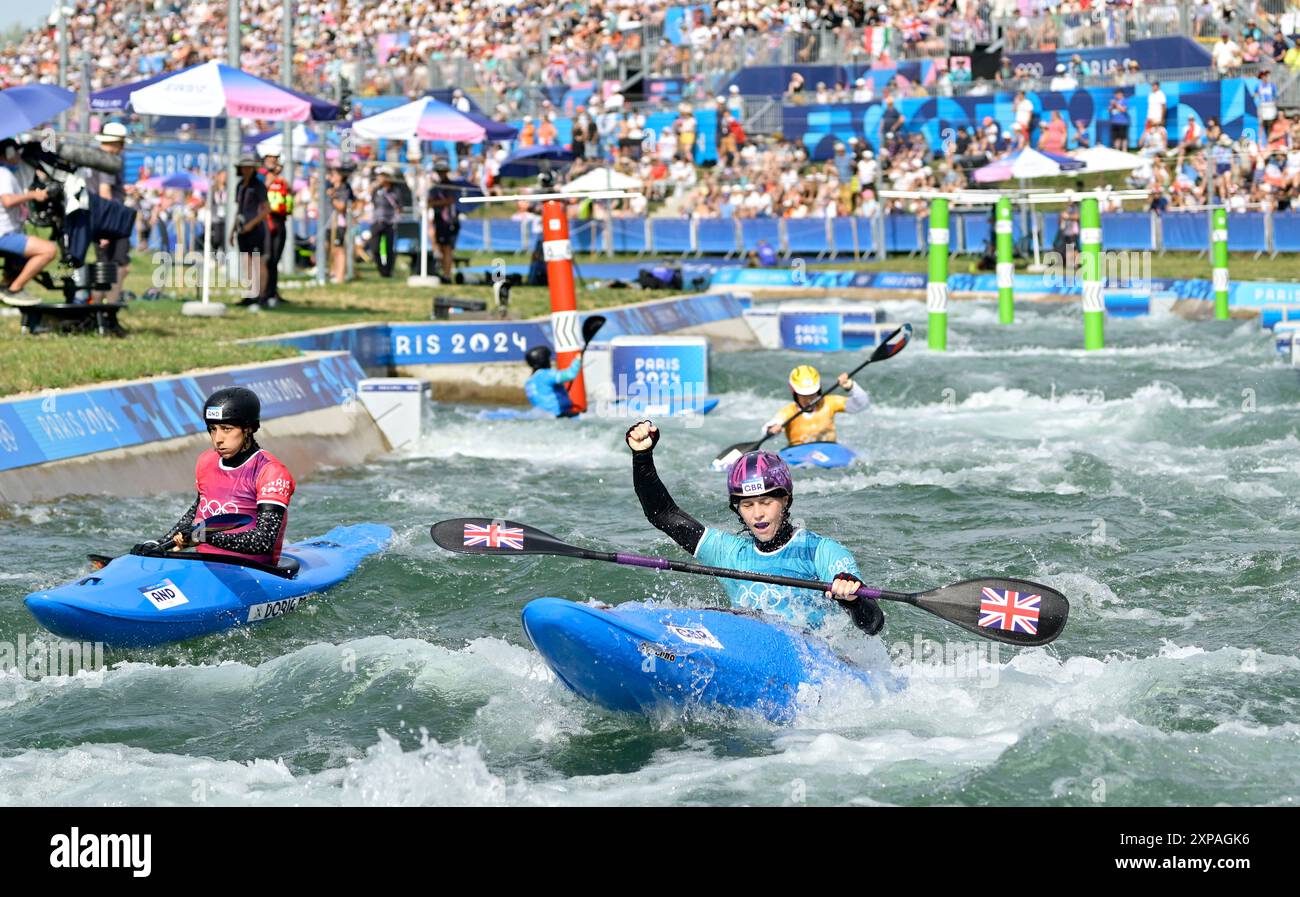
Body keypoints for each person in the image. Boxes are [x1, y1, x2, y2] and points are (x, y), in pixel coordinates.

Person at [625, 420, 883, 634]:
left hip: (810, 663)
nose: (757, 514)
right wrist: (642, 457)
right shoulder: (728, 553)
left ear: (785, 500)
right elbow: (663, 515)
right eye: (747, 506)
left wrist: (853, 599)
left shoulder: (820, 551)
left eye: (766, 502)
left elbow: (873, 625)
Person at [139, 388, 295, 566]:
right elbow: (198, 510)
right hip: (206, 565)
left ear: (249, 429)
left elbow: (263, 540)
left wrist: (201, 536)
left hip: (255, 571)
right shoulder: (207, 461)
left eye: (227, 429)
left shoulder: (271, 471)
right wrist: (159, 544)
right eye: (213, 429)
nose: (218, 439)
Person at [0, 138, 56, 306]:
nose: (19, 156)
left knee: (21, 258)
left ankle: (5, 286)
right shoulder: (3, 174)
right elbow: (8, 200)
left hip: (9, 232)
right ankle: (14, 290)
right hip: (4, 235)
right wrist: (33, 195)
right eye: (16, 152)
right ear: (9, 153)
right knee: (48, 250)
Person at [764, 365, 869, 446]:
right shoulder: (789, 411)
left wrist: (850, 387)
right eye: (804, 395)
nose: (809, 399)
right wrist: (772, 430)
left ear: (819, 390)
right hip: (800, 457)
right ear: (794, 392)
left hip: (829, 451)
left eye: (812, 393)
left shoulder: (829, 402)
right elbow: (771, 426)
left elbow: (861, 404)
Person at [91, 122, 130, 303]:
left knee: (104, 267)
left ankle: (97, 308)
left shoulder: (94, 157)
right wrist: (107, 227)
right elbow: (105, 192)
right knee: (118, 267)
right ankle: (109, 309)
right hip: (111, 220)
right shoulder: (108, 161)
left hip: (100, 218)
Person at [231, 154, 270, 305]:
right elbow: (239, 210)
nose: (246, 170)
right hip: (242, 230)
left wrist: (251, 224)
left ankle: (261, 295)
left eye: (249, 167)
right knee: (245, 262)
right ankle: (250, 294)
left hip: (255, 230)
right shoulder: (240, 185)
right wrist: (233, 230)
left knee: (258, 262)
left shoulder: (258, 186)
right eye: (244, 167)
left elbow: (266, 210)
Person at [263, 153, 291, 304]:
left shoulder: (282, 182)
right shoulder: (262, 178)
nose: (274, 165)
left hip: (279, 221)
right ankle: (265, 291)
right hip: (266, 223)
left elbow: (289, 195)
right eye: (271, 161)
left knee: (274, 260)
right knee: (267, 259)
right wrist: (269, 180)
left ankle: (272, 291)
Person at [523, 345, 581, 417]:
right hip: (560, 416)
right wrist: (578, 359)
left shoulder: (529, 381)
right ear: (545, 361)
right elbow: (570, 374)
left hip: (545, 417)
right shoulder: (546, 374)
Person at [427, 159, 460, 283]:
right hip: (439, 220)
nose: (441, 174)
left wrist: (436, 203)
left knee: (447, 248)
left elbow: (450, 200)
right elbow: (429, 202)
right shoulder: (435, 188)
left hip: (450, 221)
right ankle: (445, 272)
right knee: (440, 247)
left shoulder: (451, 186)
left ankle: (447, 275)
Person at [369, 166, 401, 278]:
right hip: (376, 221)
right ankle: (381, 270)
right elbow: (369, 199)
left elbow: (399, 206)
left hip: (390, 222)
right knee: (374, 248)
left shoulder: (395, 191)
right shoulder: (376, 190)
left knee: (389, 249)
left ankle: (388, 271)